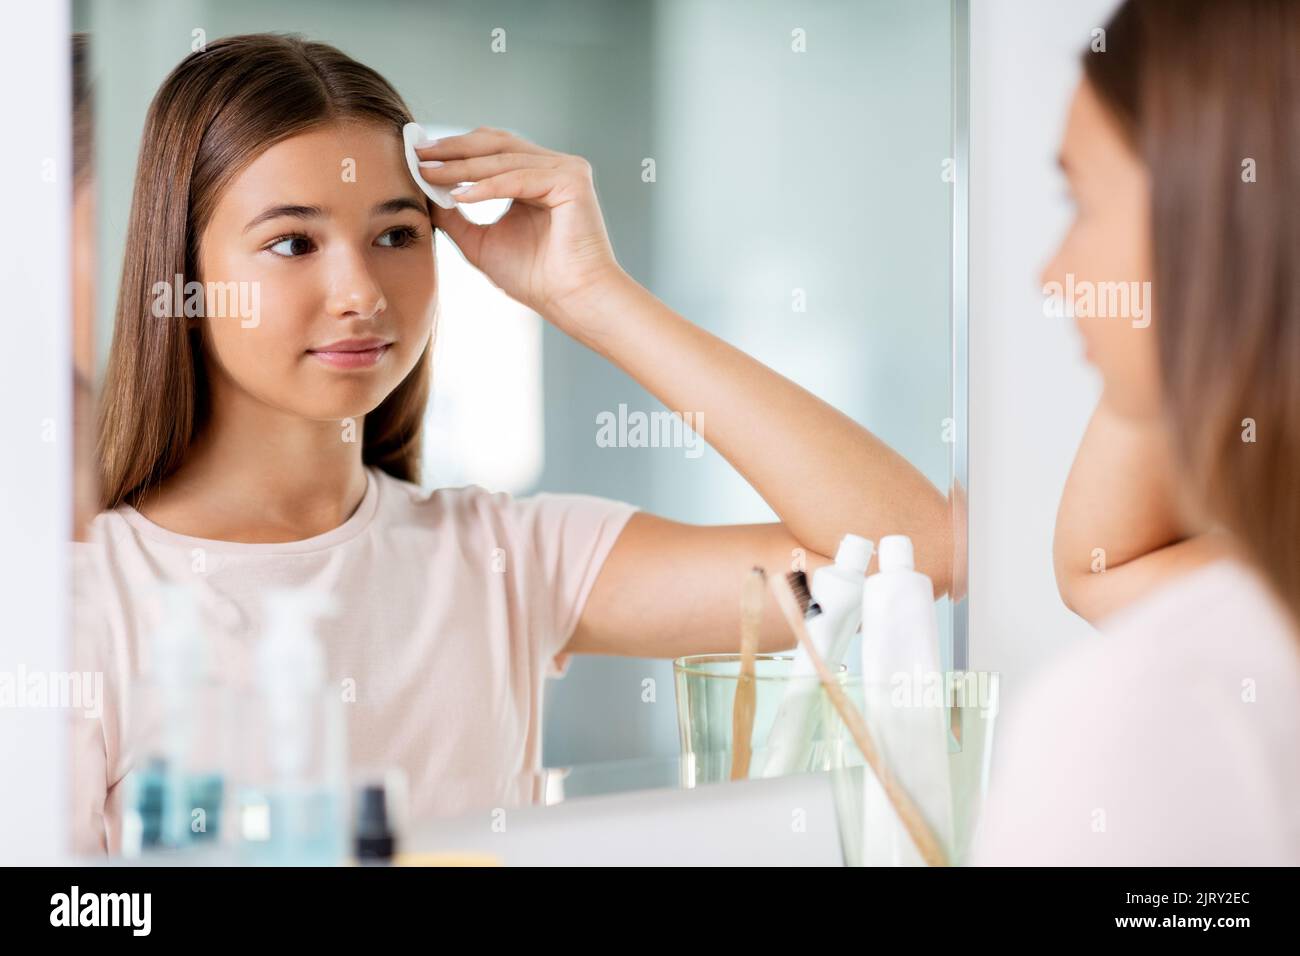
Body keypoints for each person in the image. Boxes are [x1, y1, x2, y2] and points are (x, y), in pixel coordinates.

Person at [72, 33, 953, 855]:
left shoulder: (505, 557)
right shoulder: (81, 598)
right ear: (180, 273)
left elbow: (914, 550)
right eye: (293, 242)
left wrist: (594, 296)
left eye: (396, 235)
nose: (360, 293)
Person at [973, 0, 1300, 865]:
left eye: (1080, 202)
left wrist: (1194, 322)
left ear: (1218, 221)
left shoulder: (1149, 711)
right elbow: (1108, 567)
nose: (1053, 274)